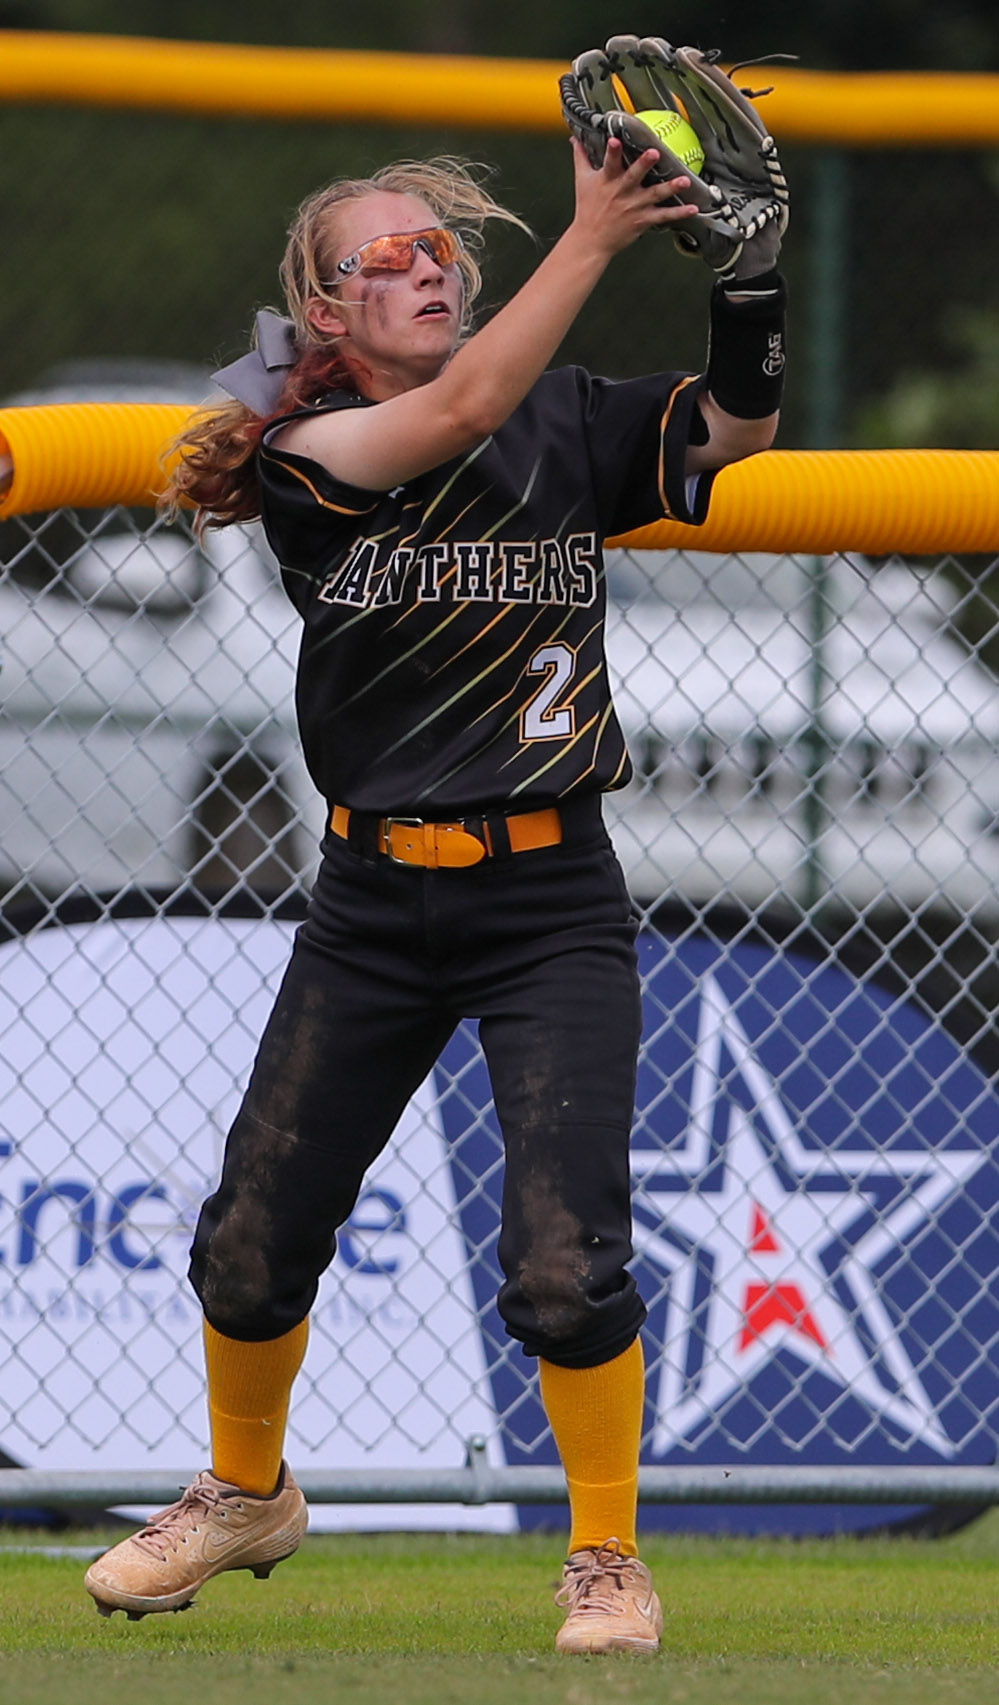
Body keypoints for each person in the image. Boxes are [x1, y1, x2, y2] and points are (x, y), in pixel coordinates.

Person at [81, 133, 786, 1653]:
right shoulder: (301, 458)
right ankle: (245, 1490)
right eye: (377, 257)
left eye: (434, 247)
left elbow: (736, 426)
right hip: (370, 898)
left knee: (561, 1253)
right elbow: (460, 408)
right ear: (322, 321)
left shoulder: (566, 417)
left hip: (550, 900)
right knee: (254, 1238)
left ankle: (606, 1557)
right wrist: (593, 236)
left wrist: (749, 280)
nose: (420, 263)